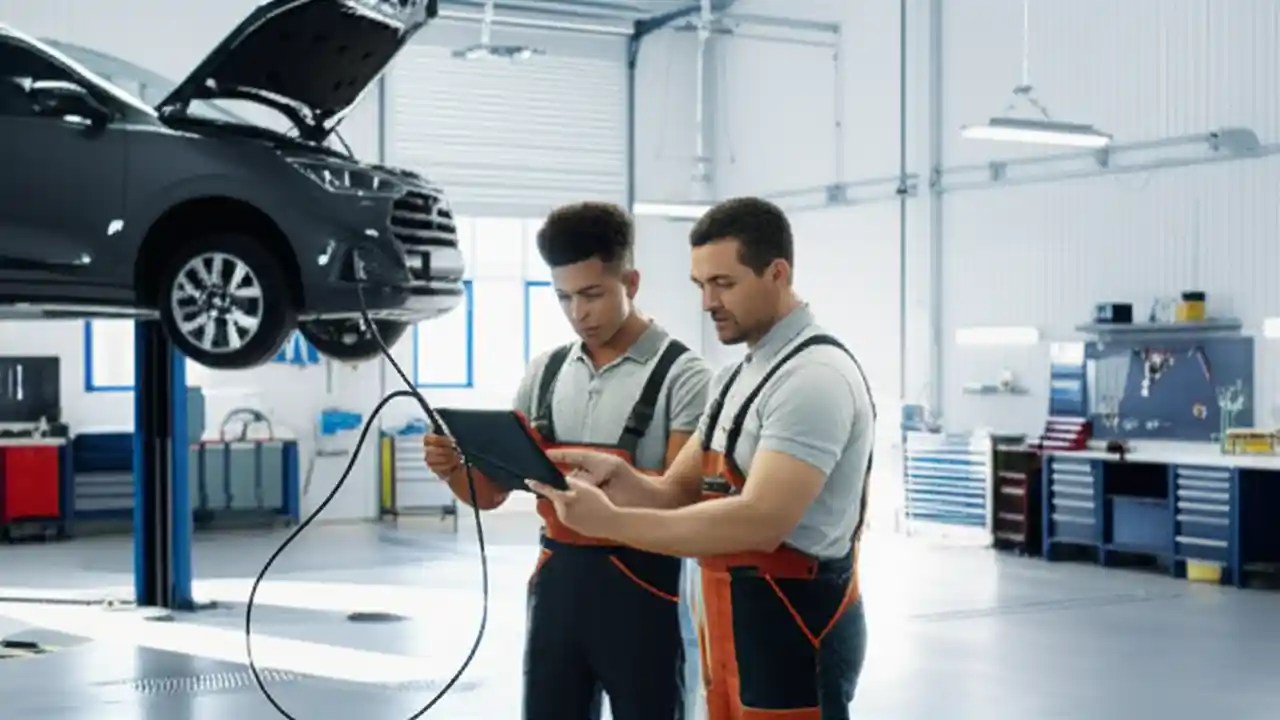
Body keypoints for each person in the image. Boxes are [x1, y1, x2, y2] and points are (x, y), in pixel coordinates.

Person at [527, 196, 876, 720]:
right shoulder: (740, 376)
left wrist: (616, 522)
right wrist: (618, 478)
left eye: (724, 284)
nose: (707, 302)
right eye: (700, 285)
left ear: (777, 273)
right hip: (733, 623)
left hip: (796, 629)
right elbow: (676, 491)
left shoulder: (813, 377)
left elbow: (761, 521)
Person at [422, 201, 713, 720]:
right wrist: (453, 470)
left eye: (593, 295)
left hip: (645, 593)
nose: (579, 313)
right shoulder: (546, 373)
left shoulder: (683, 375)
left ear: (632, 281)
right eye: (564, 298)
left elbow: (681, 502)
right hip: (557, 592)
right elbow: (488, 494)